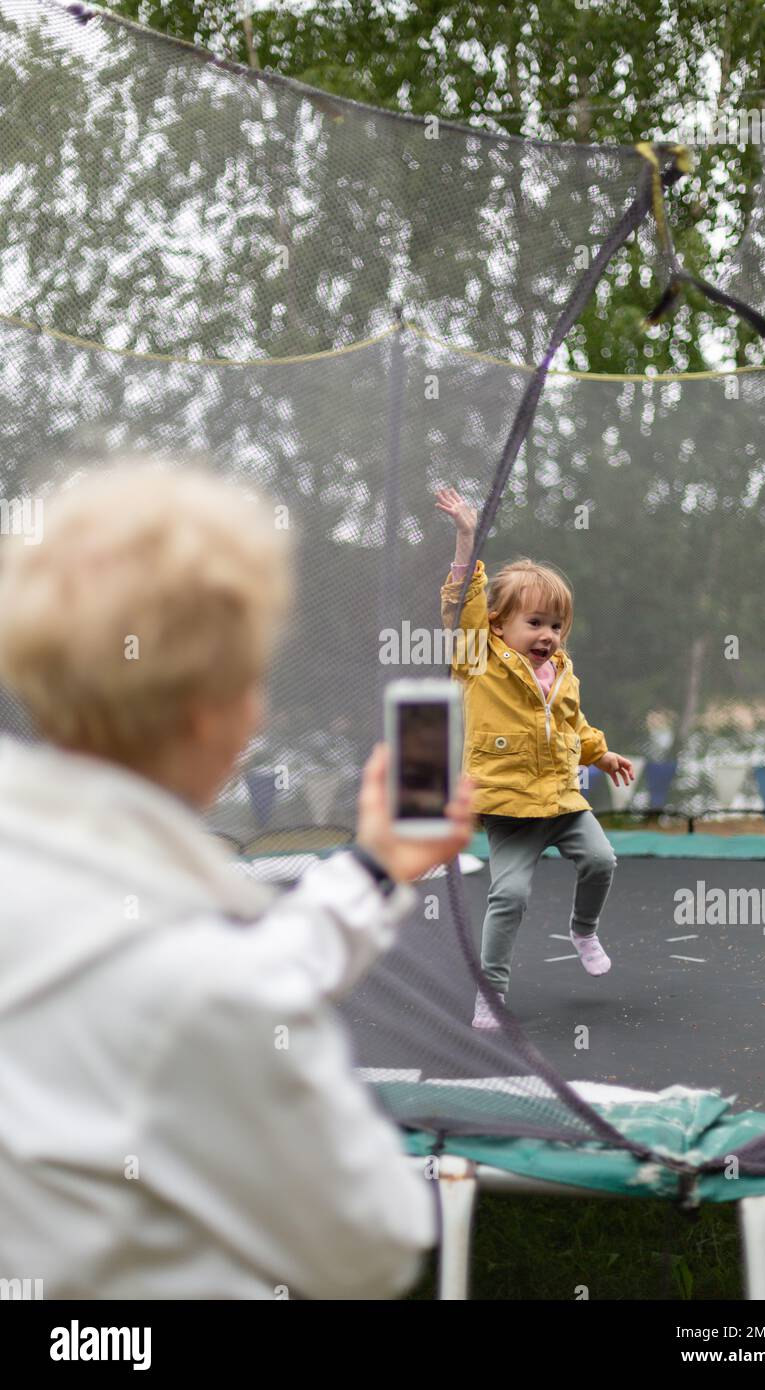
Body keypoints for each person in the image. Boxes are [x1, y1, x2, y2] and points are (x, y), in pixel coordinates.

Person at [0, 463, 475, 1300]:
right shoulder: (208, 989)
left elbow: (216, 991)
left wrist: (372, 872)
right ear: (209, 713)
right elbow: (373, 1245)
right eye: (251, 678)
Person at [435, 487, 634, 1030]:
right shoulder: (479, 661)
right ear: (499, 626)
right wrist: (466, 538)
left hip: (563, 799)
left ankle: (583, 930)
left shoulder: (562, 674)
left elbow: (572, 724)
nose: (548, 635)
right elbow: (461, 606)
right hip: (509, 804)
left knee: (602, 861)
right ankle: (490, 992)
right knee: (510, 895)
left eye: (556, 626)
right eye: (536, 624)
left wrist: (602, 752)